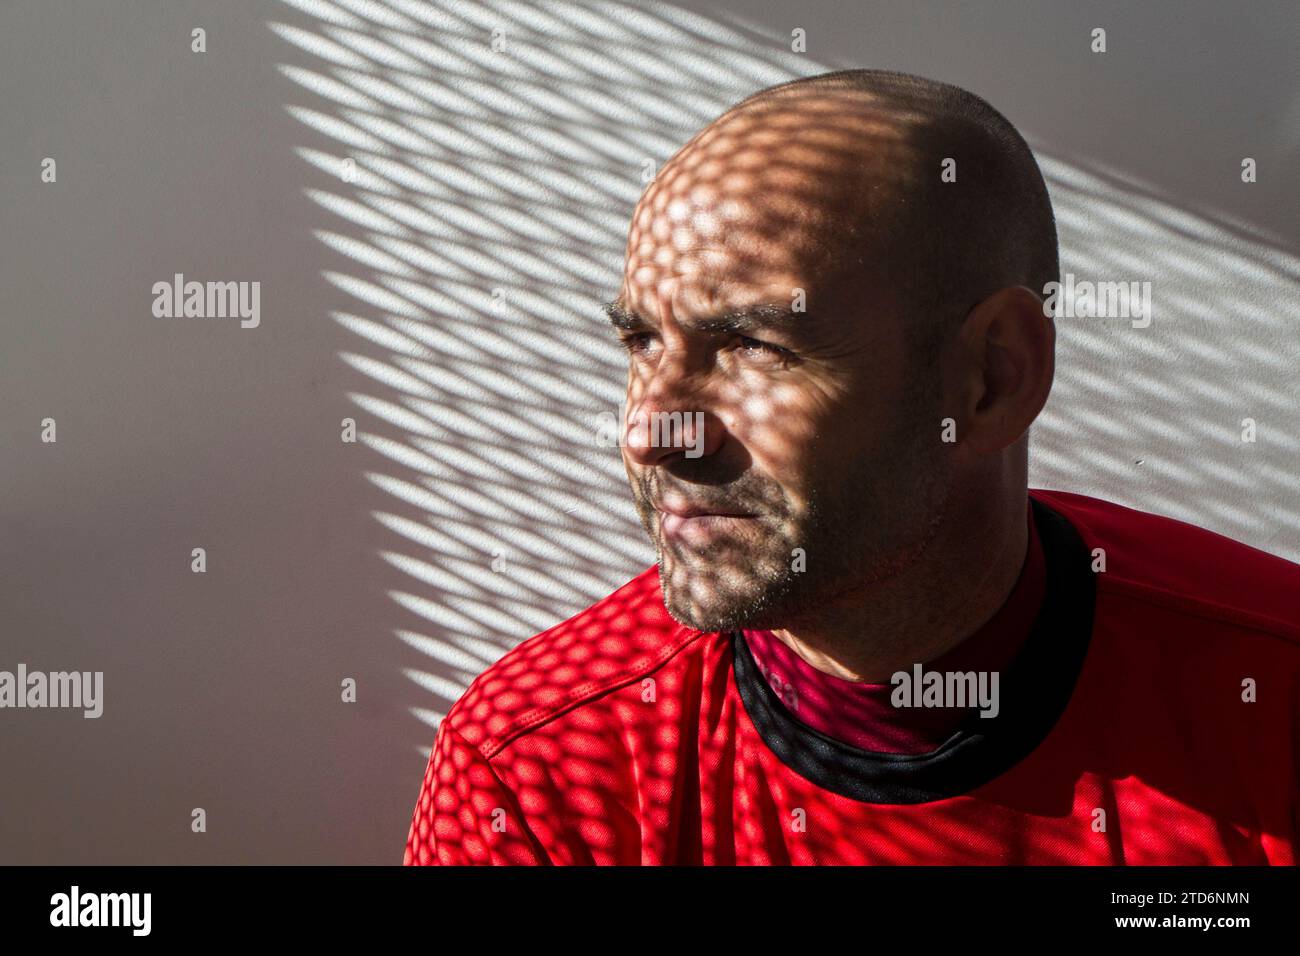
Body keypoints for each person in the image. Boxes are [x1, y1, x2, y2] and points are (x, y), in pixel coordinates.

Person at [403, 69, 1300, 865]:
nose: (646, 432)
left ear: (993, 378)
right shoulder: (540, 768)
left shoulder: (1271, 703)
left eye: (754, 345)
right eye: (641, 340)